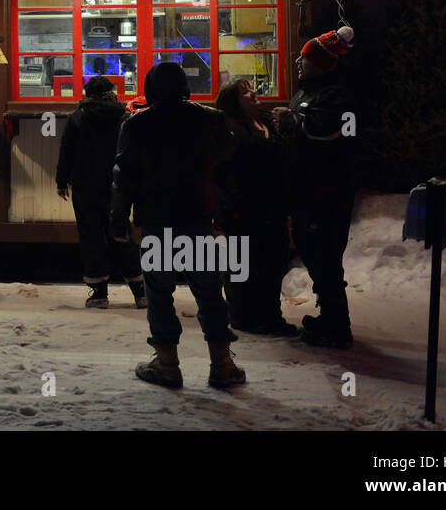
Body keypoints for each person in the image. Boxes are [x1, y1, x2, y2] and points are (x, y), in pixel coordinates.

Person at [112, 62, 244, 389]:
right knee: (210, 293)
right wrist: (227, 215)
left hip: (157, 223)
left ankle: (167, 364)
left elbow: (123, 177)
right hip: (198, 220)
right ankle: (223, 364)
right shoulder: (211, 120)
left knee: (159, 293)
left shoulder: (137, 124)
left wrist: (119, 219)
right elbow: (228, 170)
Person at [273, 26, 357, 349]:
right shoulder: (307, 92)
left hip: (328, 194)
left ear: (319, 64)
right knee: (313, 254)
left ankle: (337, 327)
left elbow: (333, 135)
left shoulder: (339, 96)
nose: (297, 61)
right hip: (307, 192)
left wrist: (292, 123)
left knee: (325, 257)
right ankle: (329, 319)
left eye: (304, 58)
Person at [215, 79, 298, 337]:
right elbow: (224, 172)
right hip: (244, 209)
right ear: (233, 103)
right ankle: (243, 316)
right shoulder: (231, 129)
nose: (252, 94)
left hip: (272, 207)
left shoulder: (267, 122)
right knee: (243, 266)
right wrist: (229, 207)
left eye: (251, 89)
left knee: (272, 263)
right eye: (244, 93)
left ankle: (270, 315)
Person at [55, 76, 146, 309]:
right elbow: (133, 151)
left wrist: (61, 181)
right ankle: (140, 291)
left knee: (91, 236)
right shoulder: (125, 117)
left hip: (85, 186)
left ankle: (99, 294)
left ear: (87, 94)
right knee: (121, 233)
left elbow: (67, 152)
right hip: (117, 186)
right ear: (112, 92)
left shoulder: (78, 118)